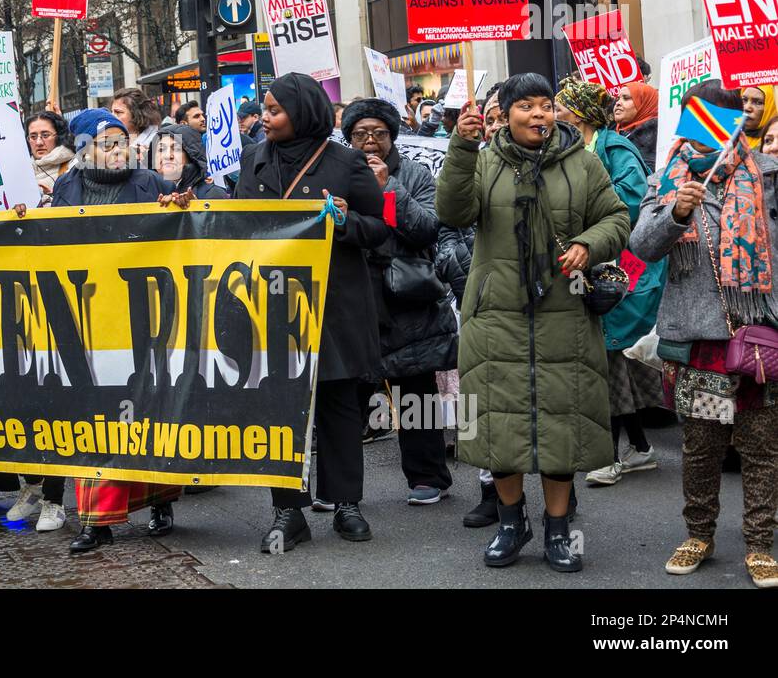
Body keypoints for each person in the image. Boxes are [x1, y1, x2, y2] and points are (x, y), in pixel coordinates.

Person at [435, 73, 630, 573]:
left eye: (546, 105)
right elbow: (452, 210)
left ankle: (559, 530)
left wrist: (589, 244)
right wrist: (461, 146)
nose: (539, 114)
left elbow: (617, 218)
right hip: (495, 314)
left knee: (562, 422)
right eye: (527, 106)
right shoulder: (482, 162)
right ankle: (510, 522)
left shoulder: (584, 164)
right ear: (507, 112)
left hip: (564, 311)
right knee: (501, 425)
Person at [629, 80, 778, 589]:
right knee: (703, 446)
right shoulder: (667, 180)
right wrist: (677, 212)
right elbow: (643, 246)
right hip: (701, 347)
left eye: (718, 119)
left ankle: (760, 543)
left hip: (758, 340)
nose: (706, 132)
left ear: (737, 123)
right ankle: (699, 533)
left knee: (760, 447)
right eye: (699, 119)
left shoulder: (769, 177)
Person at [235, 75, 390, 552]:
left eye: (275, 110)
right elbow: (237, 221)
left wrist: (346, 222)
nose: (265, 117)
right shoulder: (253, 158)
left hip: (333, 303)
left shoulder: (345, 162)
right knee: (279, 408)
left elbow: (380, 230)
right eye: (264, 108)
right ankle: (288, 510)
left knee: (337, 404)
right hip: (273, 305)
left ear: (301, 112)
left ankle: (346, 503)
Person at [45, 109, 185, 552]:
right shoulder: (66, 187)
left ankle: (160, 501)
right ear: (84, 148)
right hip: (88, 319)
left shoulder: (150, 184)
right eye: (107, 143)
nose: (118, 150)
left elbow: (193, 223)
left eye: (122, 142)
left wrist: (179, 207)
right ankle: (95, 521)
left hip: (141, 316)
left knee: (145, 408)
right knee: (93, 412)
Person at [553, 78, 667, 489]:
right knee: (608, 358)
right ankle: (638, 449)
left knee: (609, 356)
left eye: (559, 105)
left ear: (579, 113)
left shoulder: (614, 148)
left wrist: (580, 210)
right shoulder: (573, 149)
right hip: (595, 268)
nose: (551, 112)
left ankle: (612, 455)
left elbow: (633, 202)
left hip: (624, 271)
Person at [341, 100, 456, 506]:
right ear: (348, 138)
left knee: (415, 389)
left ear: (392, 137)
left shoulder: (415, 174)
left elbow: (426, 229)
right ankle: (339, 488)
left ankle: (427, 477)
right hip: (355, 295)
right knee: (349, 393)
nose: (370, 141)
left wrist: (389, 186)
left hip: (405, 296)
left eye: (379, 133)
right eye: (360, 134)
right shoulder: (337, 175)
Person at [153, 126, 229, 200]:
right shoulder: (149, 191)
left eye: (176, 149)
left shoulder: (213, 194)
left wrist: (194, 209)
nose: (167, 156)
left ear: (191, 156)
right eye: (161, 149)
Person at [26, 110, 76, 200]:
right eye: (33, 137)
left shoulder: (75, 168)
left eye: (45, 135)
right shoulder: (20, 173)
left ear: (59, 137)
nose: (39, 142)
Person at [111, 87, 162, 170]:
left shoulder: (158, 143)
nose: (112, 117)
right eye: (112, 112)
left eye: (118, 112)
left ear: (137, 114)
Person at [613, 80, 660, 170]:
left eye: (626, 98)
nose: (618, 103)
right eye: (618, 98)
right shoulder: (612, 135)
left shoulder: (654, 139)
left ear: (644, 104)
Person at [740, 86, 778, 152]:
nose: (746, 108)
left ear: (772, 108)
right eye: (744, 100)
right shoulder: (730, 138)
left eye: (758, 102)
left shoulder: (774, 149)